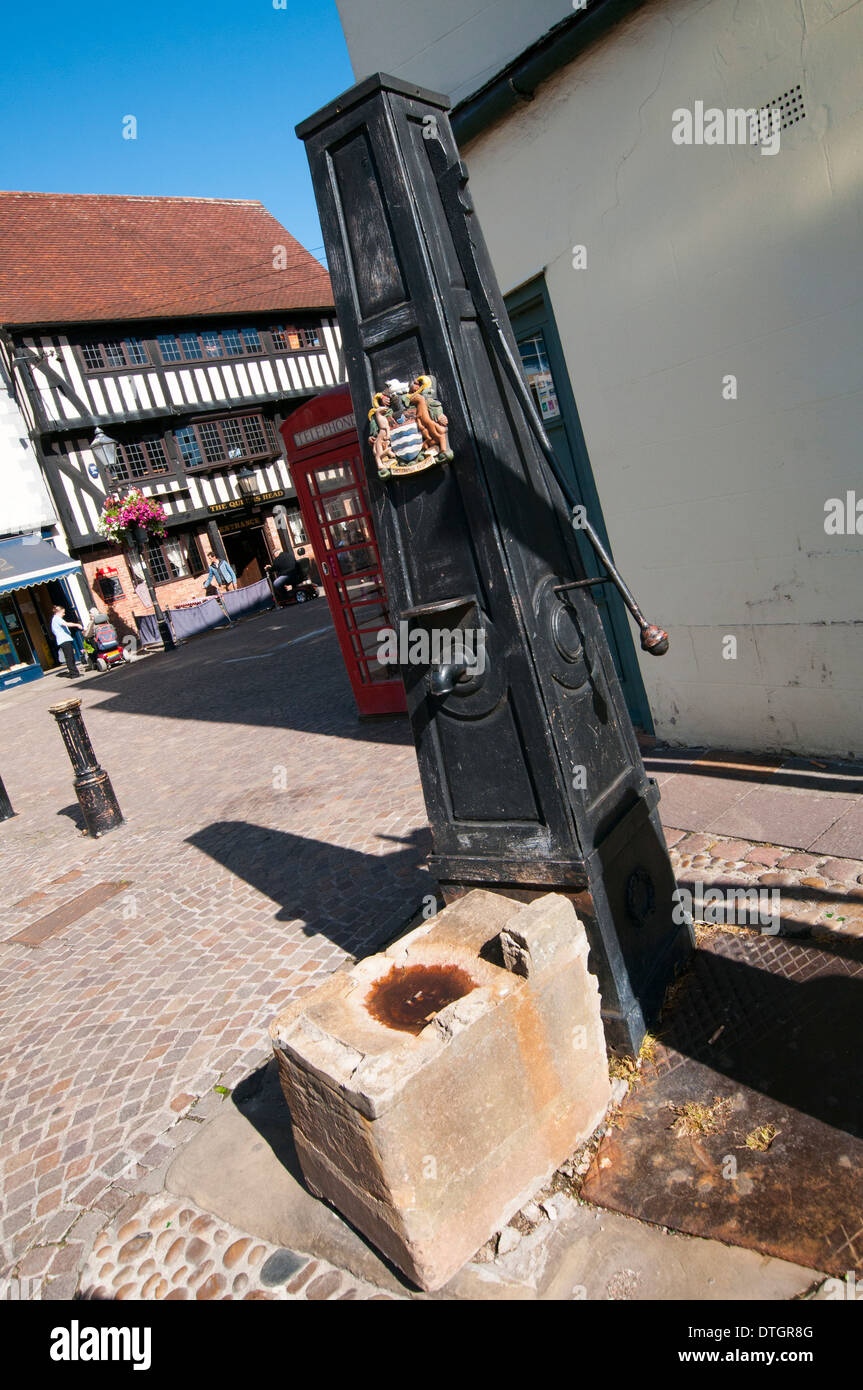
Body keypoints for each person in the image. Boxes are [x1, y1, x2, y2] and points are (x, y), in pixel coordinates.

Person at [51, 605, 84, 677]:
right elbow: (66, 624)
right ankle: (74, 673)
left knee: (70, 656)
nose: (64, 614)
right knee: (69, 657)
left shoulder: (56, 619)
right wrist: (77, 625)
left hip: (64, 640)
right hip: (64, 640)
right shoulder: (57, 619)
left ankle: (74, 672)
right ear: (58, 612)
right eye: (63, 612)